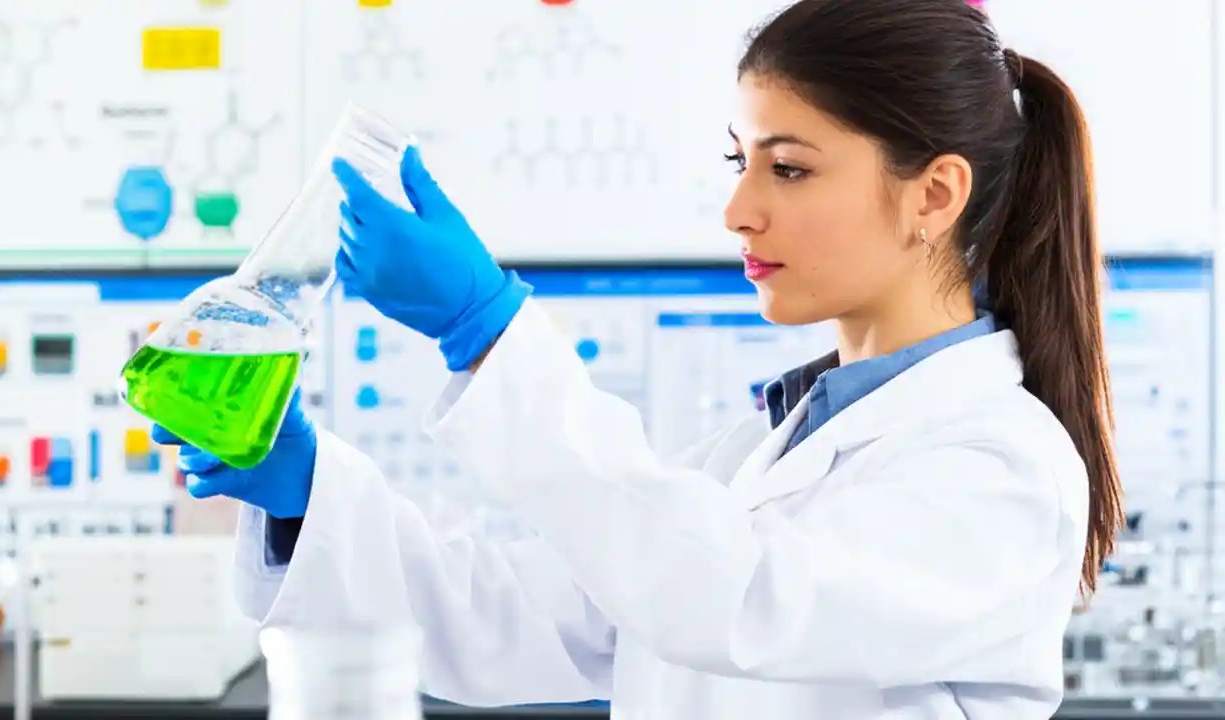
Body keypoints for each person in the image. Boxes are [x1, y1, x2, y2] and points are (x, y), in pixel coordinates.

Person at [154, 0, 1123, 716]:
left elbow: (731, 598)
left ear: (932, 196)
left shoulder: (1002, 472)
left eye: (786, 167)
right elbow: (509, 622)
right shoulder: (755, 452)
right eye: (735, 161)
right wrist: (302, 492)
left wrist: (488, 331)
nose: (739, 210)